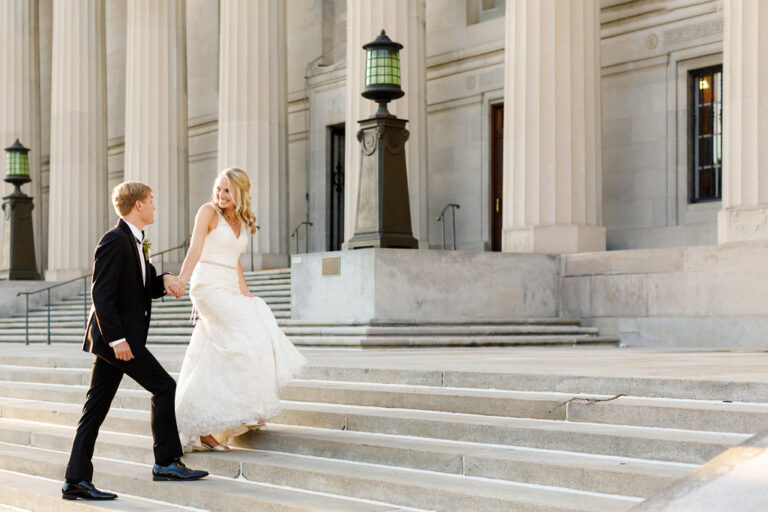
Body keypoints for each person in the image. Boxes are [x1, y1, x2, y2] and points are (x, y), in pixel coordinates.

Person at [62, 182, 208, 501]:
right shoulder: (114, 240)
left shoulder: (137, 240)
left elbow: (141, 287)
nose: (156, 207)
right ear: (138, 206)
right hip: (118, 341)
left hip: (119, 341)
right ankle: (166, 462)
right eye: (152, 201)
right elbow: (101, 294)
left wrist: (164, 280)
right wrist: (116, 340)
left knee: (95, 409)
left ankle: (75, 480)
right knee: (164, 386)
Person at [173, 167, 306, 452]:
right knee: (249, 335)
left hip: (230, 287)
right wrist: (182, 280)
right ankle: (240, 408)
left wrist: (246, 294)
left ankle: (213, 422)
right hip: (207, 288)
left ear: (240, 193)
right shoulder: (207, 212)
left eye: (227, 190)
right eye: (218, 189)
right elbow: (195, 249)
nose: (221, 195)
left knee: (242, 336)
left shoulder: (243, 220)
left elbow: (235, 261)